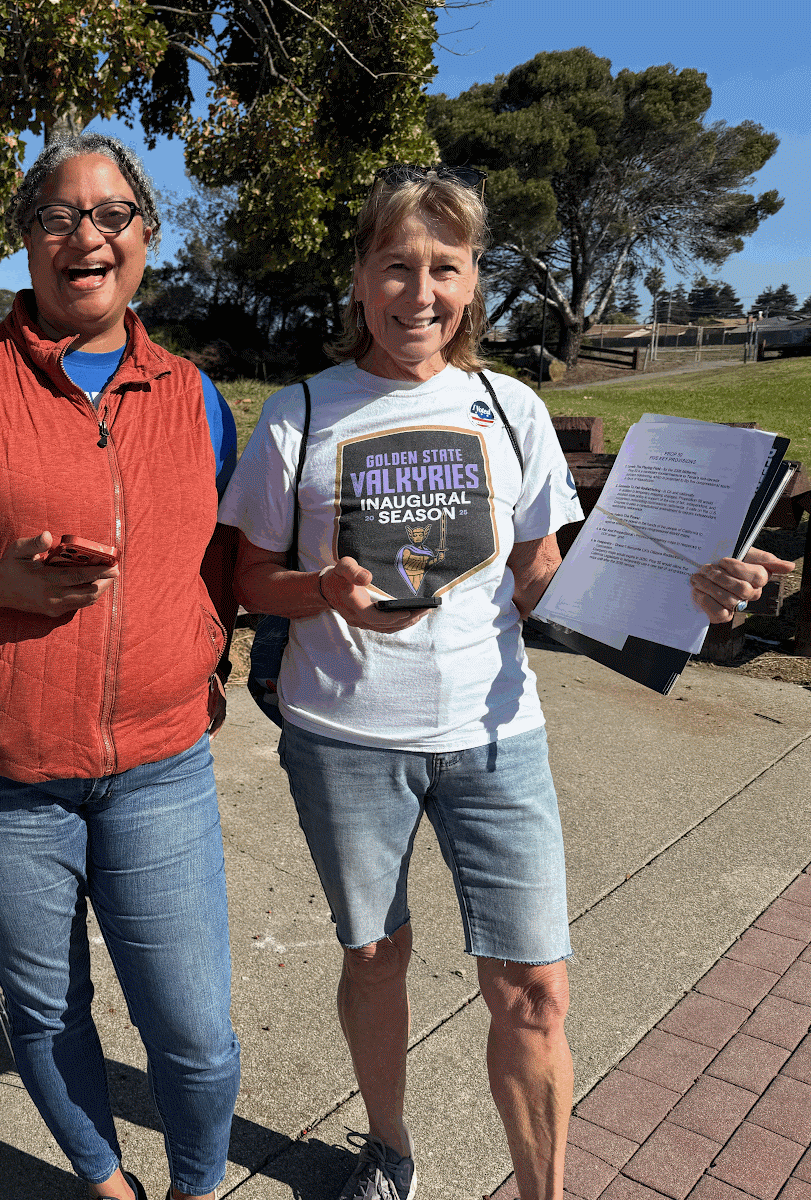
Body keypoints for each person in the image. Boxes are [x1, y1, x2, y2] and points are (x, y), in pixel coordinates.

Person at [217, 164, 793, 1200]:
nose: (419, 293)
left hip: (495, 735)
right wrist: (323, 592)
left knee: (533, 990)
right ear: (359, 277)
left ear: (474, 282)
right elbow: (246, 575)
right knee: (375, 957)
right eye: (396, 265)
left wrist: (688, 594)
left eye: (444, 267)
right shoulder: (299, 415)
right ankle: (388, 1152)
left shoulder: (509, 407)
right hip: (344, 737)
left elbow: (547, 582)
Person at [0, 132, 242, 1200]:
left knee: (195, 1030)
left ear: (146, 240)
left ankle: (199, 1188)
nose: (87, 237)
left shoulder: (198, 397)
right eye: (59, 216)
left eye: (111, 214)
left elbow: (226, 564)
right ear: (27, 242)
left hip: (159, 763)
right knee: (48, 1010)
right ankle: (108, 1188)